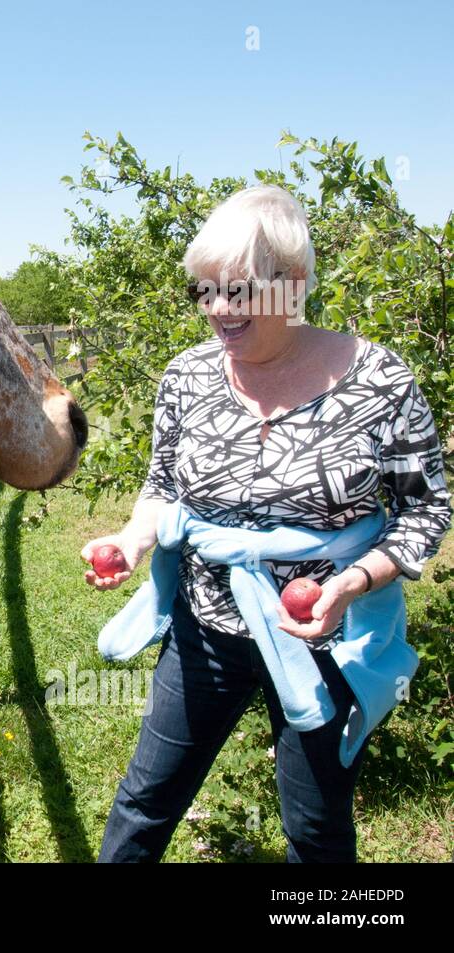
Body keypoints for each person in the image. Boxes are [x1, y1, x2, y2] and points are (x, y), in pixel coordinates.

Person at [84, 184, 451, 862]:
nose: (218, 311)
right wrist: (132, 540)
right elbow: (163, 488)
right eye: (204, 291)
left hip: (325, 641)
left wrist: (354, 583)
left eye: (239, 291)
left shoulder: (380, 383)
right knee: (144, 800)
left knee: (315, 832)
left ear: (295, 283)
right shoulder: (187, 379)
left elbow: (427, 510)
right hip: (207, 629)